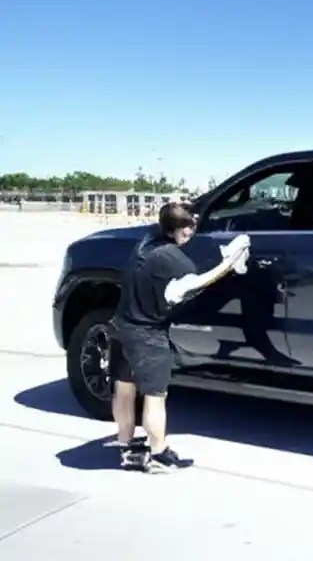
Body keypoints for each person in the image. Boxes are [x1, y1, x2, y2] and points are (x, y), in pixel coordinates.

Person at [107, 202, 250, 472]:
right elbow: (195, 285)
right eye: (189, 228)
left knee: (124, 388)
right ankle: (158, 453)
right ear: (182, 230)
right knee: (155, 395)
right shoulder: (173, 259)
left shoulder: (145, 243)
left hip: (120, 326)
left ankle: (125, 446)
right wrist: (229, 263)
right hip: (147, 335)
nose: (192, 234)